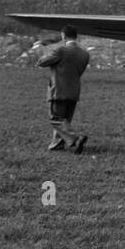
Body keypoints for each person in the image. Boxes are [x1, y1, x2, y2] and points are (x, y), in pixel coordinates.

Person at [36, 24, 91, 153]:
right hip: (74, 91)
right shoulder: (85, 54)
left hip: (58, 90)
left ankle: (75, 138)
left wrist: (41, 51)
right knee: (65, 120)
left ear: (63, 36)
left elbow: (42, 62)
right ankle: (57, 145)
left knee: (55, 118)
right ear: (76, 36)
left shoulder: (61, 50)